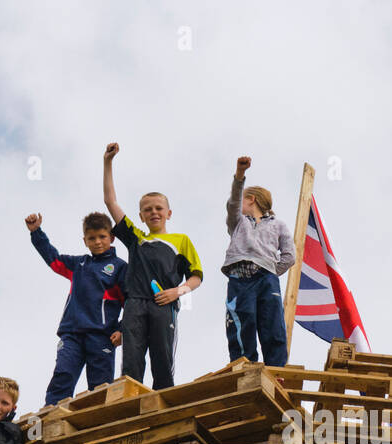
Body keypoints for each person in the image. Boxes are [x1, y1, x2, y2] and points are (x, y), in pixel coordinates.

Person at [101, 142, 203, 389]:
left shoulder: (181, 241)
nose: (153, 212)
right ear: (141, 216)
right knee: (131, 364)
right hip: (135, 304)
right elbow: (110, 202)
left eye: (159, 208)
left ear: (169, 213)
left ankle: (163, 409)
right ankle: (130, 408)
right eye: (147, 210)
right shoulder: (136, 237)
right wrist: (108, 162)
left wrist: (176, 292)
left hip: (164, 304)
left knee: (162, 361)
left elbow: (196, 277)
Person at [26, 211, 127, 407]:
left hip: (102, 336)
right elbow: (53, 259)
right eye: (92, 238)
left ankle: (99, 423)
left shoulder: (120, 267)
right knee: (63, 374)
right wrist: (36, 232)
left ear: (111, 237)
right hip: (72, 333)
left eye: (102, 237)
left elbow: (130, 302)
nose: (97, 242)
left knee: (101, 385)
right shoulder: (78, 264)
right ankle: (51, 415)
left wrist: (122, 329)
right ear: (85, 241)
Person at [222, 156, 295, 366]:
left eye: (244, 199)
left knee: (272, 324)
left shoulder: (278, 225)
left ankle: (277, 370)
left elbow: (290, 256)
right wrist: (239, 175)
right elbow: (233, 203)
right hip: (240, 279)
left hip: (267, 280)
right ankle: (244, 366)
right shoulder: (237, 222)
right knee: (241, 321)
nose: (238, 204)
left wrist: (269, 269)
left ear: (252, 199)